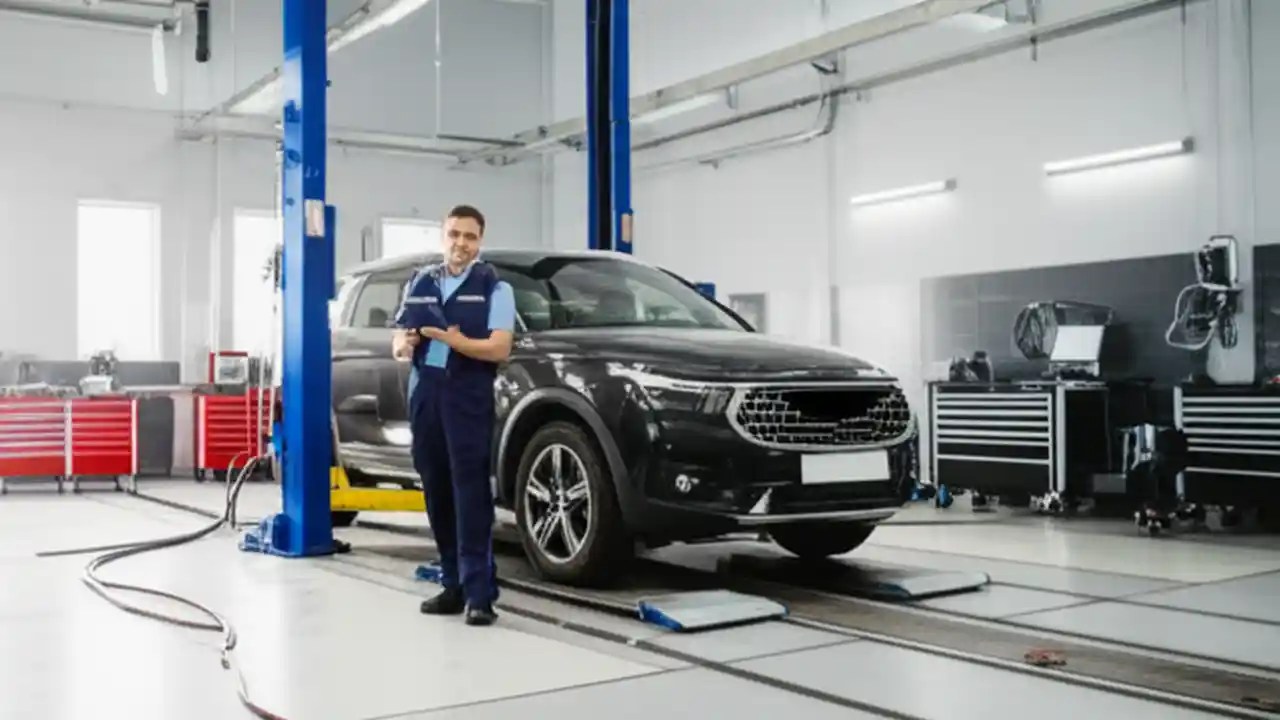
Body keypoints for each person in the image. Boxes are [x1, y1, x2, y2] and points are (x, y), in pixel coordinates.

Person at [392, 204, 516, 626]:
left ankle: (480, 595)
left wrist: (452, 340)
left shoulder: (495, 288)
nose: (461, 243)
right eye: (454, 234)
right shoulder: (421, 282)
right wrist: (405, 344)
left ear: (480, 242)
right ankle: (452, 585)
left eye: (470, 236)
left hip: (467, 394)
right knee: (436, 488)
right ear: (443, 236)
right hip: (425, 393)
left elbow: (499, 348)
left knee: (470, 493)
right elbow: (399, 339)